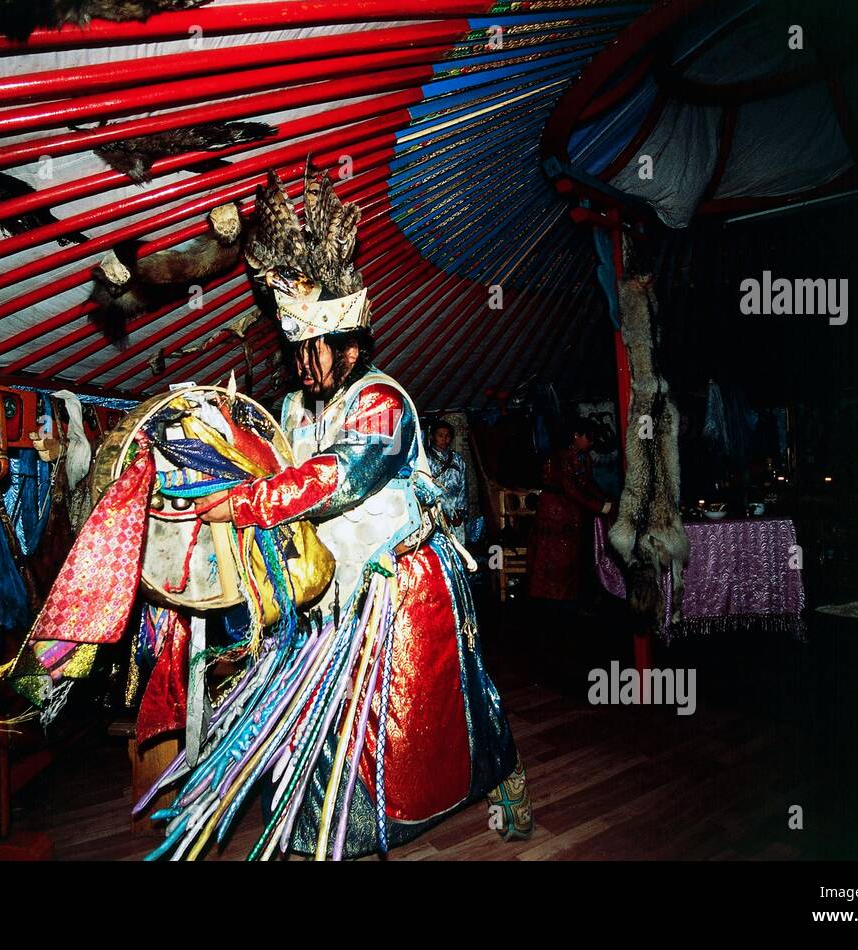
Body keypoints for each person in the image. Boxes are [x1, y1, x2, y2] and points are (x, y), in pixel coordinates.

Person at [185, 168, 531, 855]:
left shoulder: (383, 402)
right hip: (326, 588)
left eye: (313, 351)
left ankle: (499, 781)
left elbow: (338, 476)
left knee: (424, 710)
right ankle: (326, 830)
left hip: (399, 588)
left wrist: (251, 502)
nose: (303, 366)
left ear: (349, 346)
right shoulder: (292, 406)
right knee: (328, 714)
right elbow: (284, 461)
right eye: (295, 352)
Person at [528, 417, 613, 608]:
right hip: (555, 514)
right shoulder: (561, 458)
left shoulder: (584, 457)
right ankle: (550, 604)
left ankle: (567, 600)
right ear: (576, 436)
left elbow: (588, 484)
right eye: (588, 437)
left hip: (572, 513)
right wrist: (600, 506)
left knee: (570, 559)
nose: (591, 442)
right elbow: (571, 488)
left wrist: (605, 499)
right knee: (554, 559)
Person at [427, 418, 470, 545]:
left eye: (447, 436)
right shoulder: (425, 459)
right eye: (440, 435)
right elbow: (422, 488)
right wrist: (437, 513)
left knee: (458, 550)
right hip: (433, 514)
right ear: (432, 436)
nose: (444, 439)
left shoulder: (458, 460)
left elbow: (463, 487)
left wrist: (460, 513)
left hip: (455, 514)